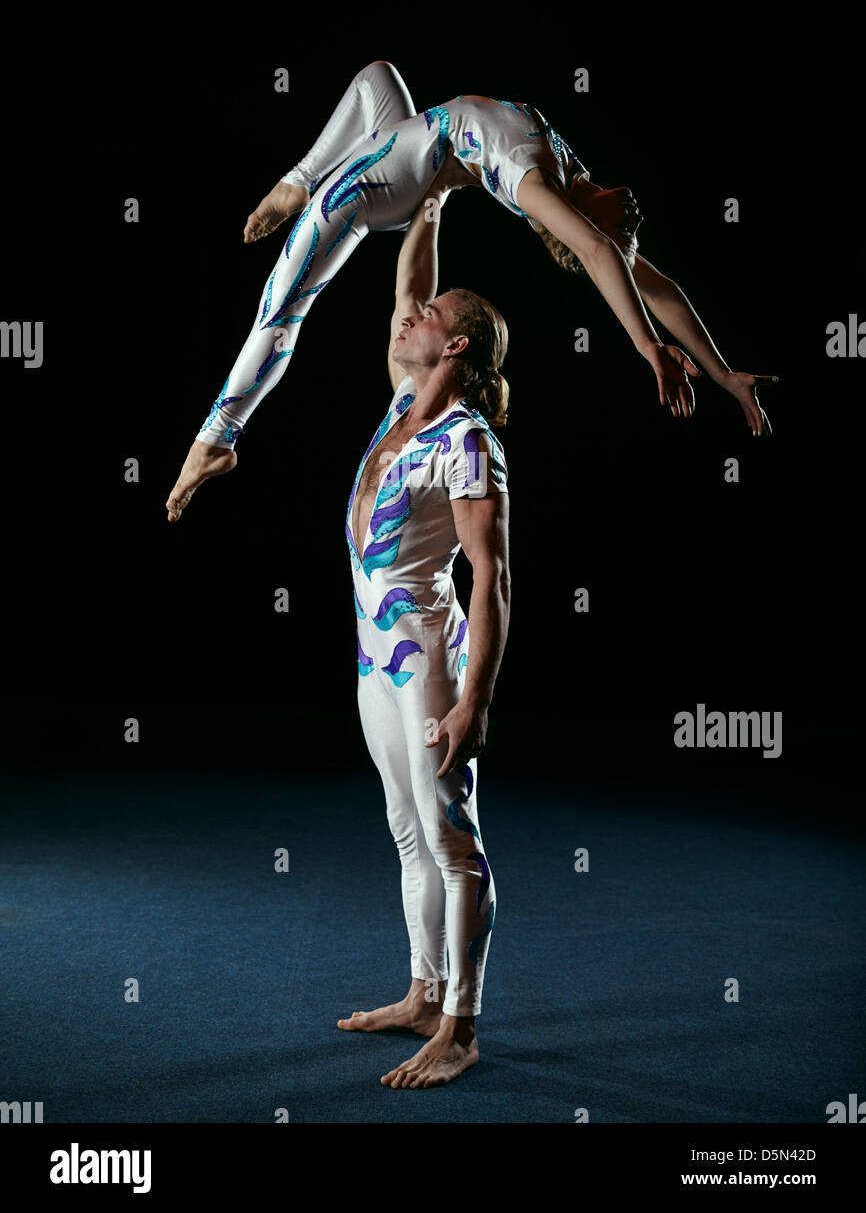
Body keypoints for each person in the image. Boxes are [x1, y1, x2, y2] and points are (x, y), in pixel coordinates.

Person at [166, 59, 776, 521]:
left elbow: (600, 254)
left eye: (627, 230)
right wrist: (721, 373)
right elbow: (657, 283)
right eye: (631, 231)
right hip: (415, 147)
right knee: (377, 77)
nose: (636, 217)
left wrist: (649, 350)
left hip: (384, 184)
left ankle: (216, 440)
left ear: (591, 228)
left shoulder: (535, 184)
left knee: (282, 309)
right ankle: (301, 179)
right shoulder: (570, 171)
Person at [337, 159, 509, 1087]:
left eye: (432, 316)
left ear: (457, 347)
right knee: (408, 832)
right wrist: (429, 197)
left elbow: (494, 580)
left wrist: (473, 701)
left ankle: (463, 1026)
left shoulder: (468, 442)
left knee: (454, 840)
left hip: (428, 660)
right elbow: (407, 283)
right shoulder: (405, 404)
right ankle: (420, 992)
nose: (411, 315)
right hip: (374, 653)